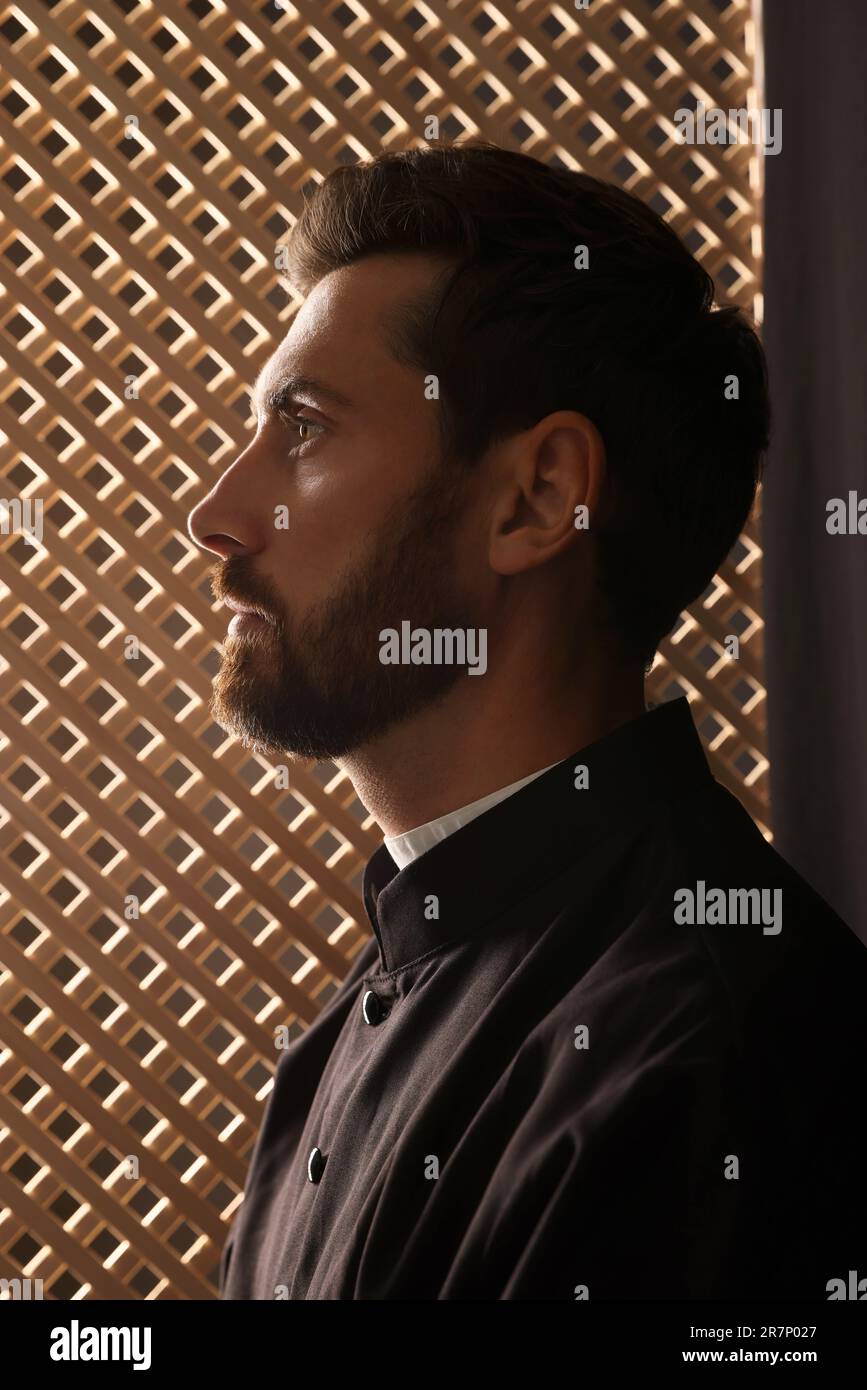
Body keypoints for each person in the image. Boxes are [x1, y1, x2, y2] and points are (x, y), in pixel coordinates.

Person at [187, 141, 866, 1300]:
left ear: (539, 498)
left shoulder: (708, 1058)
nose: (218, 512)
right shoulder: (366, 1011)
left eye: (301, 427)